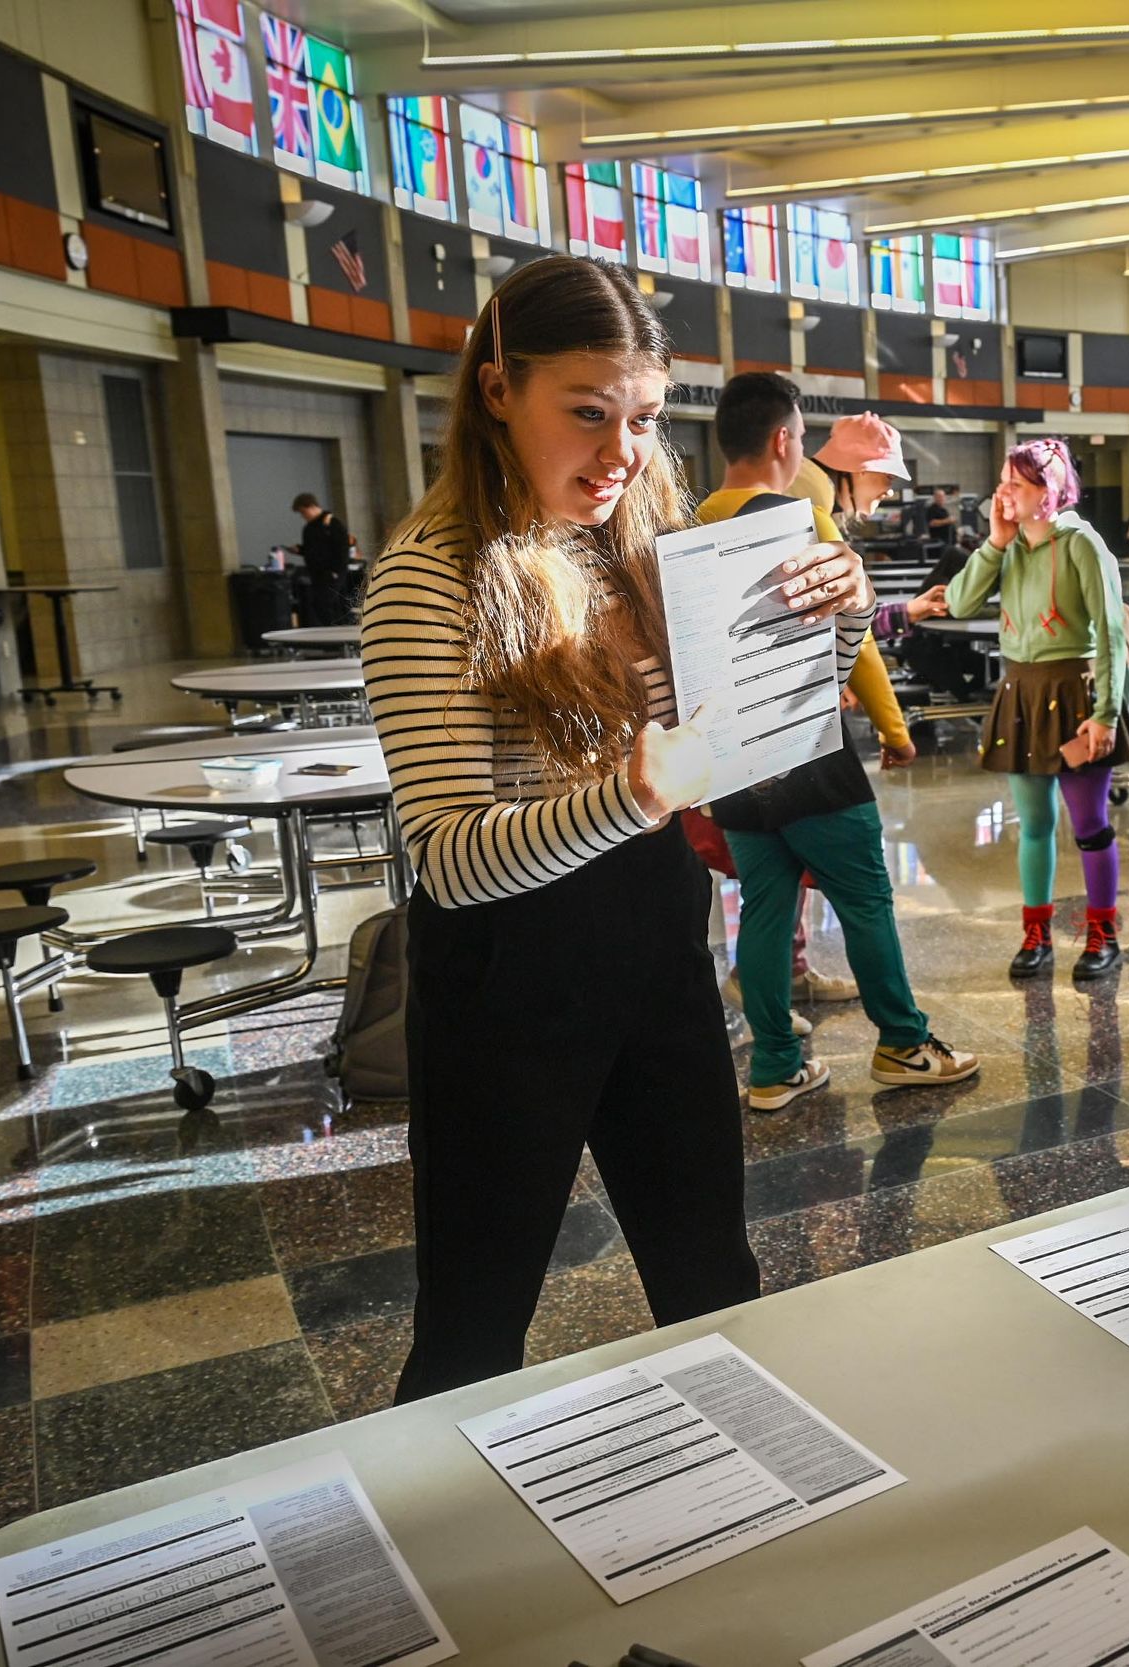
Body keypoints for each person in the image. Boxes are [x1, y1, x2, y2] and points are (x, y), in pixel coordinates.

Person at [360, 256, 874, 1400]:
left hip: (652, 947)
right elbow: (447, 854)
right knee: (472, 1326)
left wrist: (841, 617)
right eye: (586, 414)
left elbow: (761, 728)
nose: (620, 452)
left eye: (642, 417)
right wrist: (632, 798)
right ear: (497, 390)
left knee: (712, 1277)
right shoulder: (429, 575)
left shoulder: (637, 536)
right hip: (505, 982)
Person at [692, 376, 979, 1110]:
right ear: (785, 441)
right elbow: (856, 642)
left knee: (762, 905)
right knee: (866, 897)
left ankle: (775, 1066)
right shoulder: (799, 520)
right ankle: (903, 1042)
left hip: (732, 756)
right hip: (805, 746)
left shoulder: (685, 526)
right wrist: (893, 727)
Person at [946, 437, 1129, 980]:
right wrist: (994, 543)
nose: (1003, 493)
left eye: (1017, 485)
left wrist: (1104, 713)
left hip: (1075, 690)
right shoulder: (1008, 546)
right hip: (1022, 690)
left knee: (1091, 826)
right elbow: (959, 603)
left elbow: (1112, 634)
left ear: (1049, 493)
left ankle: (1103, 935)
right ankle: (1037, 935)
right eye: (1003, 482)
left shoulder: (1081, 543)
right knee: (1033, 825)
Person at [293, 492, 357, 625]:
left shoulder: (332, 523)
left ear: (311, 506)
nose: (303, 516)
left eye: (304, 512)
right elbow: (313, 550)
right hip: (316, 574)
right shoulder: (308, 528)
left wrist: (336, 571)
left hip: (333, 573)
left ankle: (338, 634)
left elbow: (342, 549)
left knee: (325, 604)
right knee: (322, 605)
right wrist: (300, 550)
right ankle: (336, 634)